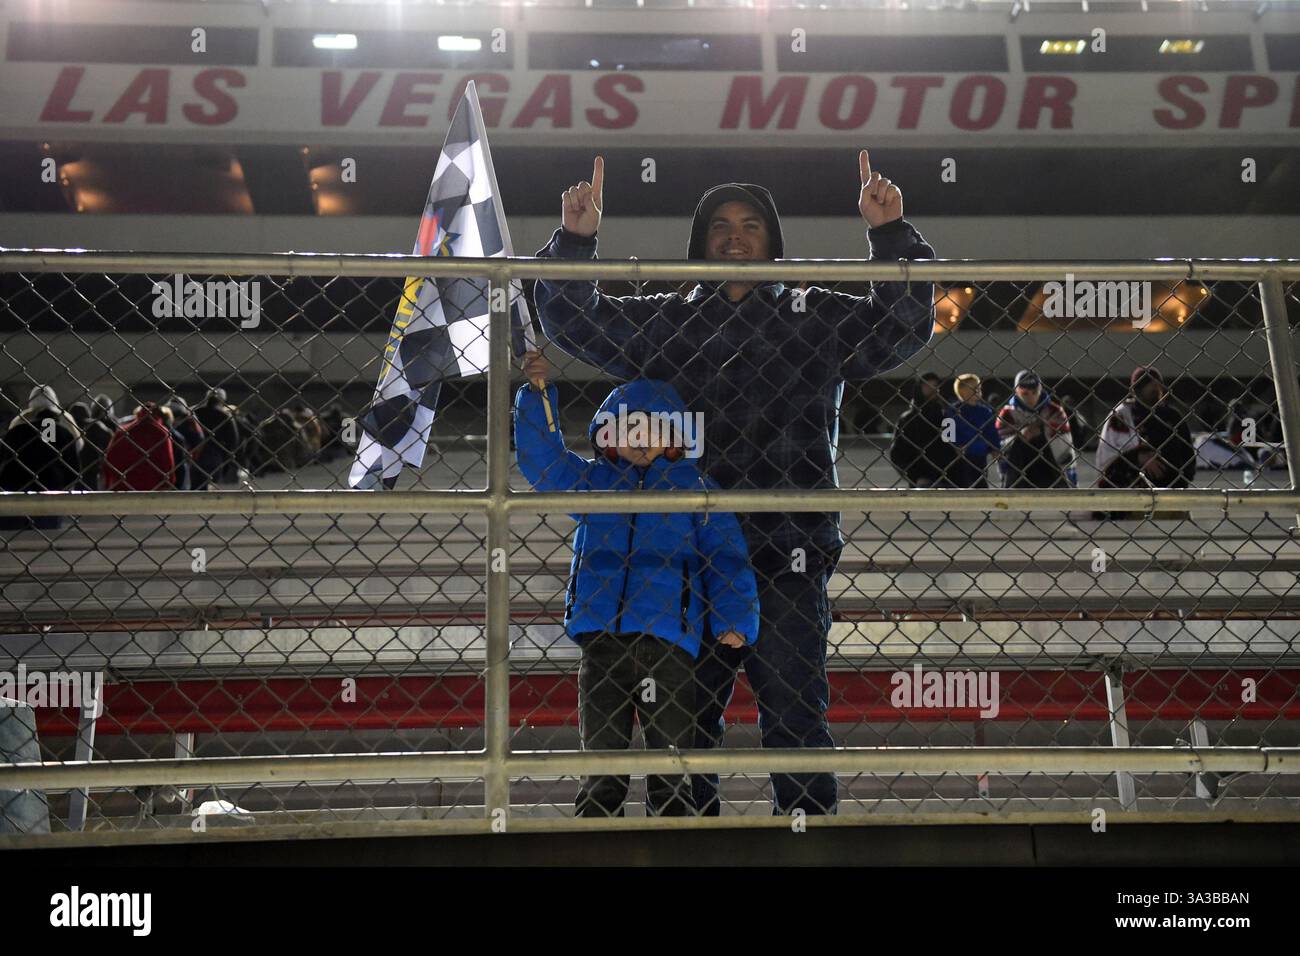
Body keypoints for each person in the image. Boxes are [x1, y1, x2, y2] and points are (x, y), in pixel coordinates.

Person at [533, 150, 935, 815]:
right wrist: (576, 240)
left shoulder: (813, 314)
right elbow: (576, 321)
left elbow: (902, 325)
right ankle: (692, 838)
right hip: (683, 558)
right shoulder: (670, 319)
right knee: (687, 729)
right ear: (700, 243)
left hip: (787, 550)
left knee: (795, 722)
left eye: (750, 223)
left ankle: (807, 836)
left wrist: (890, 235)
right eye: (720, 225)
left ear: (773, 242)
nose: (734, 235)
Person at [514, 350, 759, 817]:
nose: (640, 440)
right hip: (602, 640)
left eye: (654, 430)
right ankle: (598, 820)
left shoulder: (697, 491)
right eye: (629, 430)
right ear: (608, 437)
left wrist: (734, 619)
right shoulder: (594, 485)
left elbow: (728, 558)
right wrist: (537, 395)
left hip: (669, 643)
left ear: (677, 438)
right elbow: (544, 464)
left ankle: (669, 822)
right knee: (603, 751)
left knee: (670, 754)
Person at [1095, 366, 1196, 518]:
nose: (1156, 388)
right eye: (1150, 384)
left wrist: (1180, 483)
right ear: (1136, 389)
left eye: (1158, 384)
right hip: (1133, 495)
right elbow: (1108, 457)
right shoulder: (1122, 415)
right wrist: (1137, 457)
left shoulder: (1172, 416)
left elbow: (1188, 455)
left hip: (1170, 493)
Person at [0, 385, 82, 530]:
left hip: (18, 483)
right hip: (52, 481)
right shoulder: (64, 420)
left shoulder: (20, 421)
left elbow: (6, 452)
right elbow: (77, 447)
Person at [996, 370, 1078, 489]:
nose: (1031, 397)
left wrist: (1043, 430)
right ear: (1016, 391)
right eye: (1025, 393)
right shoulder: (1007, 413)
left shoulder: (1054, 411)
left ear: (1040, 389)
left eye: (1035, 392)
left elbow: (1066, 445)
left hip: (1051, 469)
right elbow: (1001, 447)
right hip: (1019, 468)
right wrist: (1020, 436)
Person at [889, 372, 958, 487]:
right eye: (927, 386)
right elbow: (897, 453)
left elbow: (950, 447)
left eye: (935, 386)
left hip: (947, 479)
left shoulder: (946, 416)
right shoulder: (908, 419)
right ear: (919, 389)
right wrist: (914, 477)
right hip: (920, 479)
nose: (932, 389)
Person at [102, 403, 176, 491]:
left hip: (123, 487)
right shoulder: (162, 433)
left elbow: (110, 460)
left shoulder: (123, 432)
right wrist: (169, 482)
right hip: (152, 487)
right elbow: (167, 463)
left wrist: (109, 484)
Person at [949, 373, 1001, 488]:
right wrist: (955, 445)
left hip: (979, 453)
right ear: (961, 391)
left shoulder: (984, 411)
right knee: (963, 482)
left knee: (980, 481)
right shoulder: (953, 411)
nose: (976, 391)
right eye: (972, 388)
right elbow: (948, 431)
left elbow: (991, 432)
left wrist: (995, 448)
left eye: (978, 388)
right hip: (962, 455)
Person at [194, 388, 241, 487]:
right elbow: (233, 440)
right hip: (217, 453)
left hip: (196, 451)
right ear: (222, 400)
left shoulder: (196, 412)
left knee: (196, 485)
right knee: (213, 484)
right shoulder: (225, 416)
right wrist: (228, 455)